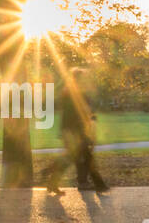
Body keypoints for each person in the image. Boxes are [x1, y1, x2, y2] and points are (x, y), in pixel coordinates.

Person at [44, 66, 109, 195]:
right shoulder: (73, 93)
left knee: (71, 158)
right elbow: (76, 112)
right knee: (85, 158)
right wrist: (88, 117)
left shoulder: (70, 91)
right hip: (74, 131)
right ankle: (99, 185)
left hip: (72, 130)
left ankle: (51, 180)